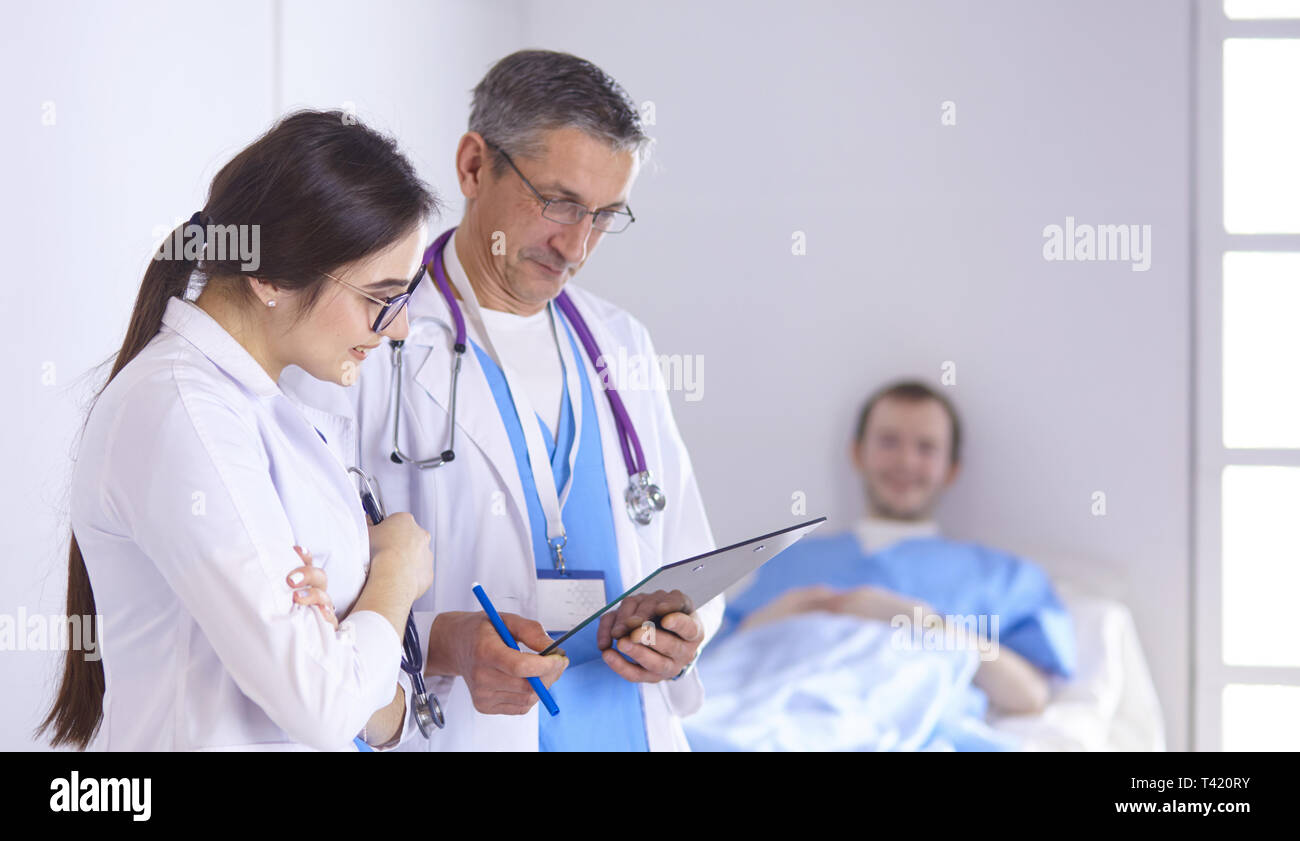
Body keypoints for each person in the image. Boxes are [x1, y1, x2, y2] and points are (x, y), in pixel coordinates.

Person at [283, 50, 722, 751]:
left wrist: (685, 631)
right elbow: (302, 602)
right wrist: (443, 646)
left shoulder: (622, 344)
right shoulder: (366, 338)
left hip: (627, 726)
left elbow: (689, 557)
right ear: (473, 166)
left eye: (605, 216)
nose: (577, 245)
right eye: (560, 202)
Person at [42, 110, 436, 751]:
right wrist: (395, 570)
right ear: (271, 278)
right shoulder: (182, 415)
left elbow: (380, 712)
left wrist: (349, 630)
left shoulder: (260, 412)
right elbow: (326, 704)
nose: (399, 328)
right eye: (379, 296)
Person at [722, 380, 1075, 714]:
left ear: (951, 469)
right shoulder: (791, 561)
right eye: (889, 442)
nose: (906, 462)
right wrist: (768, 620)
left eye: (926, 448)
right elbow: (706, 674)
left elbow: (1030, 695)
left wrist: (920, 622)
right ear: (858, 454)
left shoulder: (998, 576)